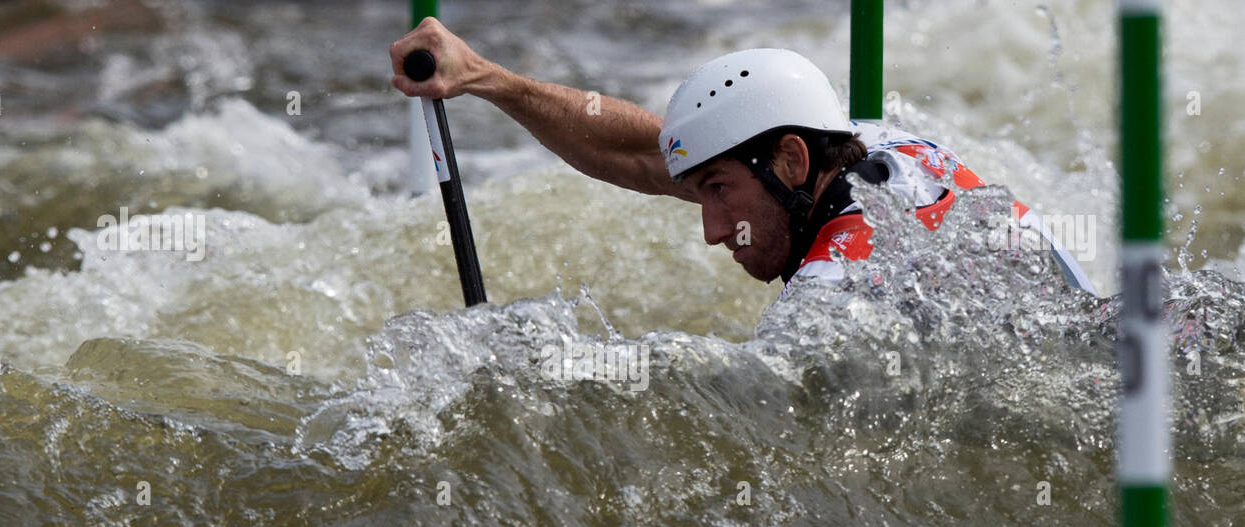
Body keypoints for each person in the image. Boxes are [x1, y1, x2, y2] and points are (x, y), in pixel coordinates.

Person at [390, 18, 1097, 300]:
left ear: (790, 159)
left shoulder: (834, 286)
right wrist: (484, 77)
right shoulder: (870, 137)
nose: (710, 226)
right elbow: (642, 150)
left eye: (718, 190)